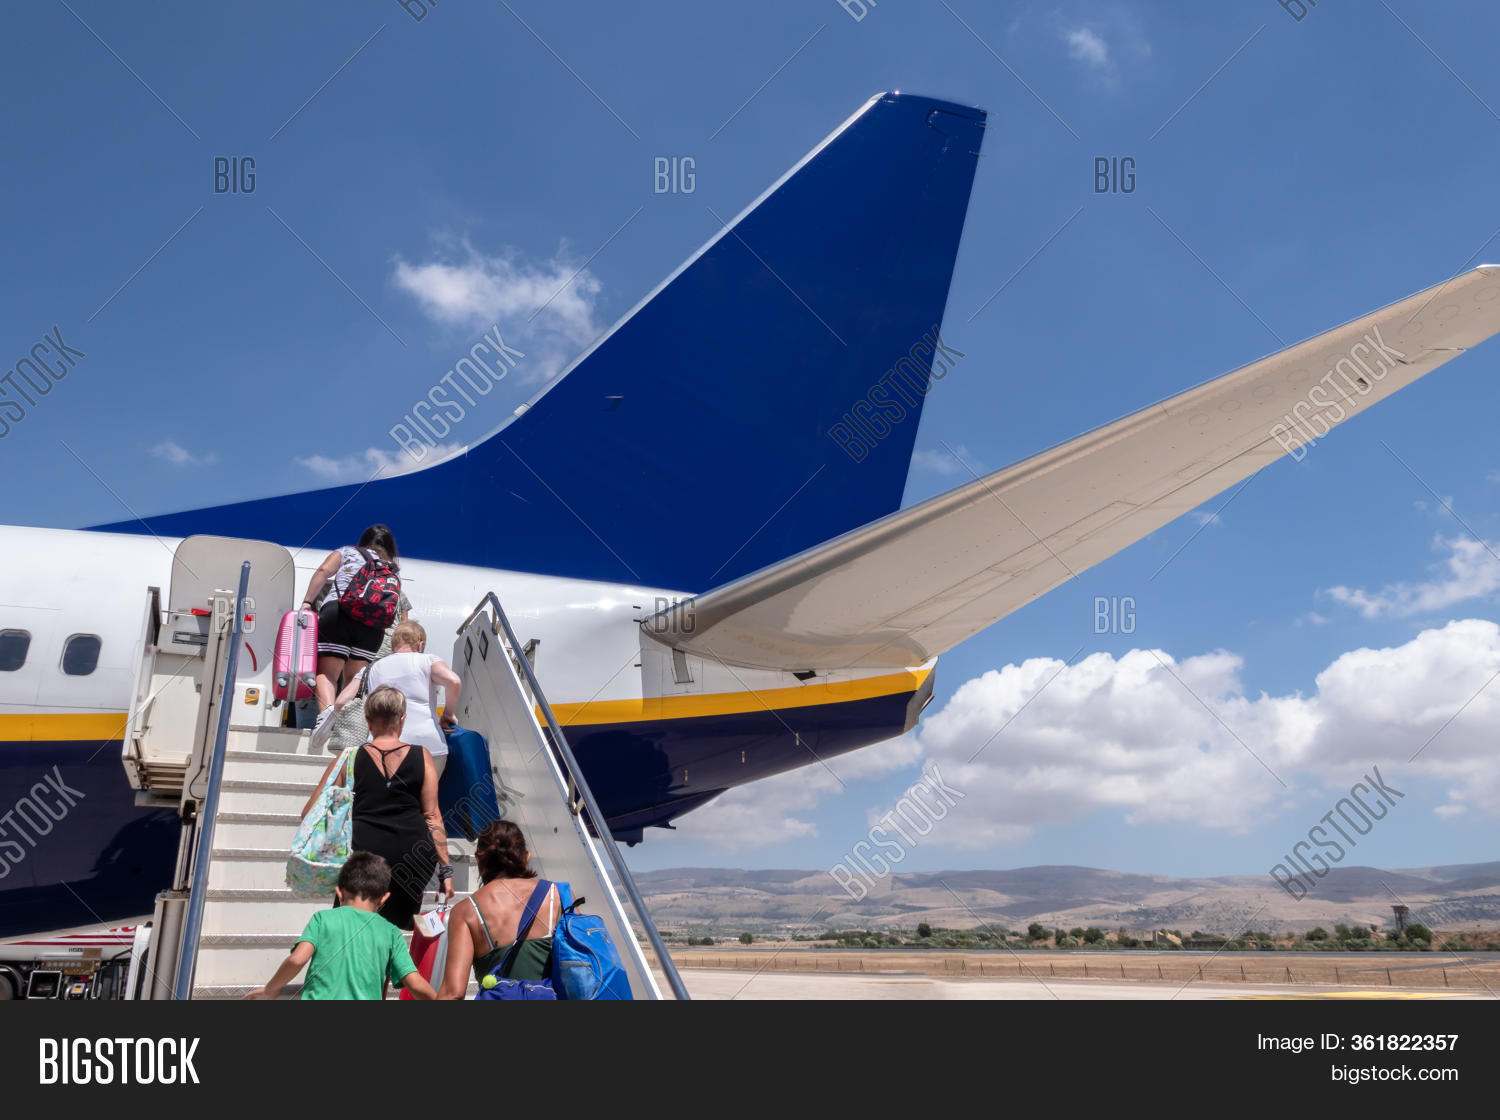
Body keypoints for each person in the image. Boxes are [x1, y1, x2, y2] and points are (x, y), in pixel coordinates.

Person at [305, 685, 454, 931]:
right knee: (393, 932)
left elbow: (311, 811)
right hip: (413, 855)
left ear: (367, 720)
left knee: (350, 928)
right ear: (402, 719)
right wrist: (445, 871)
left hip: (364, 858)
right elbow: (432, 816)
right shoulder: (422, 755)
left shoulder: (349, 757)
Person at [242, 852, 435, 1000]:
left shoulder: (322, 919)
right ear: (384, 898)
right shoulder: (391, 932)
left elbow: (297, 960)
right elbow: (415, 983)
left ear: (339, 893)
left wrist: (271, 988)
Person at [439, 820, 558, 998]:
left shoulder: (465, 912)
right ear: (526, 857)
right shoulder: (558, 895)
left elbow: (453, 993)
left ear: (479, 859)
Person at [334, 621, 461, 779]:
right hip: (428, 746)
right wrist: (448, 714)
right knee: (426, 794)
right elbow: (454, 681)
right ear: (420, 645)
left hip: (381, 748)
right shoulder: (428, 660)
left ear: (392, 646)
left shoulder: (371, 668)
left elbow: (341, 702)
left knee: (387, 793)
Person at [299, 524, 402, 710]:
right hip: (372, 625)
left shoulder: (347, 551)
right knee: (353, 679)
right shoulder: (392, 569)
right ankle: (342, 721)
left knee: (328, 674)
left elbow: (323, 571)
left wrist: (307, 602)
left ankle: (326, 716)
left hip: (339, 613)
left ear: (364, 540)